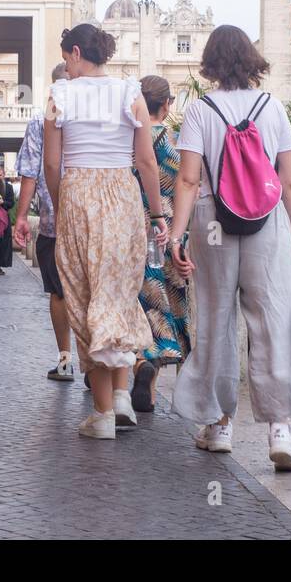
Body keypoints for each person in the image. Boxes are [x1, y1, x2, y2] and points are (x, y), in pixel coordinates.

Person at [169, 25, 291, 469]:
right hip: (265, 219)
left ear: (211, 62)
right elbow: (289, 179)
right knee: (271, 319)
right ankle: (281, 430)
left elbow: (189, 178)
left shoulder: (200, 109)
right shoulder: (273, 108)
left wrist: (176, 235)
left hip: (213, 220)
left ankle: (220, 424)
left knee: (215, 318)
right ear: (251, 59)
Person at [44, 23, 166, 440]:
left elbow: (51, 164)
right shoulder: (130, 92)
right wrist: (157, 213)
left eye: (66, 57)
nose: (66, 65)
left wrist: (63, 206)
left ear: (76, 53)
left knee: (83, 299)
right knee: (117, 295)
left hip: (79, 189)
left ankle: (102, 415)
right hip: (122, 194)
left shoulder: (60, 95)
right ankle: (120, 396)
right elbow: (146, 162)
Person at [130, 74, 193, 412]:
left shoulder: (129, 140)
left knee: (140, 297)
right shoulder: (172, 144)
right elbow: (187, 185)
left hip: (131, 225)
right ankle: (157, 378)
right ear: (167, 105)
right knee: (165, 299)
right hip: (164, 227)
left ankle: (141, 362)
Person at [13, 62, 77, 382]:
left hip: (54, 222)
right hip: (91, 220)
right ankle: (97, 366)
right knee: (89, 292)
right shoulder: (92, 115)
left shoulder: (41, 119)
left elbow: (30, 171)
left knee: (59, 293)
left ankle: (66, 359)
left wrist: (22, 217)